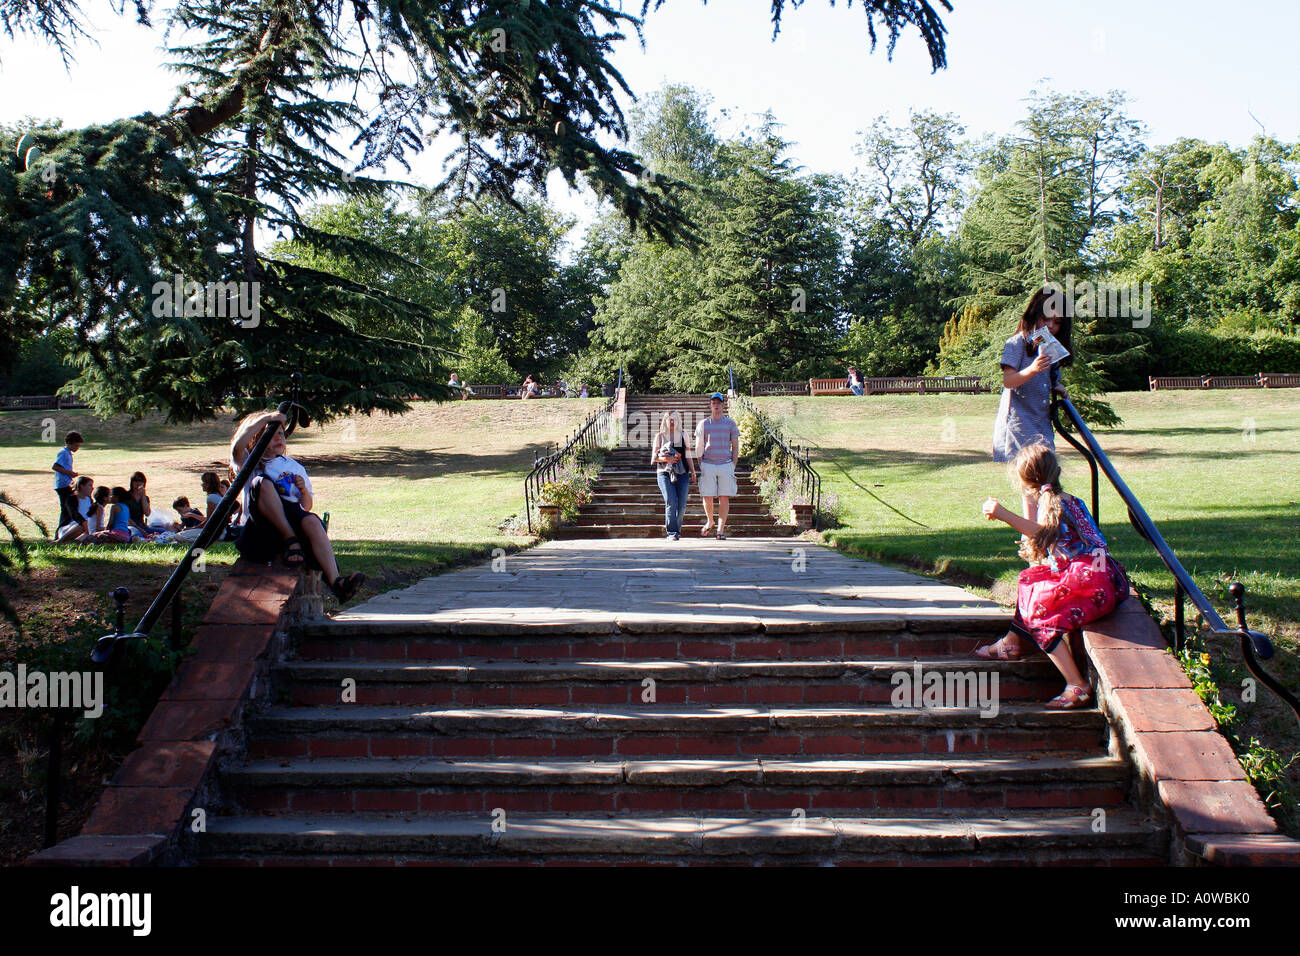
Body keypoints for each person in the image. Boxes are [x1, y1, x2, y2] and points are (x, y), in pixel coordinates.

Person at [976, 443, 1131, 709]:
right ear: (1057, 472)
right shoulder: (1070, 500)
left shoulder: (1056, 505)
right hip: (1107, 578)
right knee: (1030, 582)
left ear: (1024, 482)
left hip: (1089, 582)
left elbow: (1043, 531)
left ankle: (1077, 684)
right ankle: (1012, 642)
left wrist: (1003, 514)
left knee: (1039, 611)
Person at [229, 410, 365, 602]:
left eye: (281, 434)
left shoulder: (294, 466)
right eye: (271, 433)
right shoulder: (250, 462)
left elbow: (306, 506)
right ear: (257, 438)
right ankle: (289, 538)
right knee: (262, 482)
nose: (279, 438)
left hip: (294, 518)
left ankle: (337, 582)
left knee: (312, 521)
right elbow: (238, 445)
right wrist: (267, 418)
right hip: (262, 524)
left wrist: (303, 492)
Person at [993, 287, 1072, 521]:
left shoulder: (1051, 349)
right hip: (1019, 423)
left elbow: (1049, 381)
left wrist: (1059, 388)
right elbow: (1009, 380)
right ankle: (1033, 538)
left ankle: (1046, 533)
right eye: (1045, 319)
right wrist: (1033, 369)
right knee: (1031, 482)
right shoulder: (1017, 343)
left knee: (1047, 480)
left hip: (1041, 423)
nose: (1050, 326)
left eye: (1057, 322)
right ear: (1033, 315)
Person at [694, 392, 740, 539]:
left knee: (724, 496)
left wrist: (733, 464)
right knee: (707, 496)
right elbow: (698, 445)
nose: (716, 405)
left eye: (718, 403)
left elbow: (735, 446)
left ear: (723, 405)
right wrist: (701, 463)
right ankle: (710, 521)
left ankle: (720, 530)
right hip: (708, 463)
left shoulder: (730, 423)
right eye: (713, 403)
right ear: (710, 405)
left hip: (726, 464)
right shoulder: (704, 423)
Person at [652, 411, 696, 541]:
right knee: (671, 501)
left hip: (682, 473)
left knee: (681, 505)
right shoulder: (659, 436)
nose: (672, 422)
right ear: (665, 420)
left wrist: (693, 471)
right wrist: (666, 459)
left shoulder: (683, 435)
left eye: (675, 419)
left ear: (679, 421)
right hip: (664, 473)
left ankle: (676, 530)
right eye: (670, 419)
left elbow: (688, 455)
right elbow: (654, 458)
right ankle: (672, 532)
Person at [52, 431, 83, 529]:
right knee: (67, 509)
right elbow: (55, 467)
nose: (77, 448)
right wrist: (70, 473)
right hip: (62, 486)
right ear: (70, 443)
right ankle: (61, 532)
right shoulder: (63, 453)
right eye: (76, 445)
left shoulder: (68, 453)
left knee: (68, 509)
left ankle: (64, 530)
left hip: (66, 484)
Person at [55, 476, 98, 543]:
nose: (92, 488)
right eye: (89, 485)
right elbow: (74, 515)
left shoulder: (89, 500)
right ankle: (59, 541)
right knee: (81, 526)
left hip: (85, 528)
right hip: (69, 528)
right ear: (82, 486)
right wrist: (84, 523)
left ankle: (76, 542)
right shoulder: (71, 499)